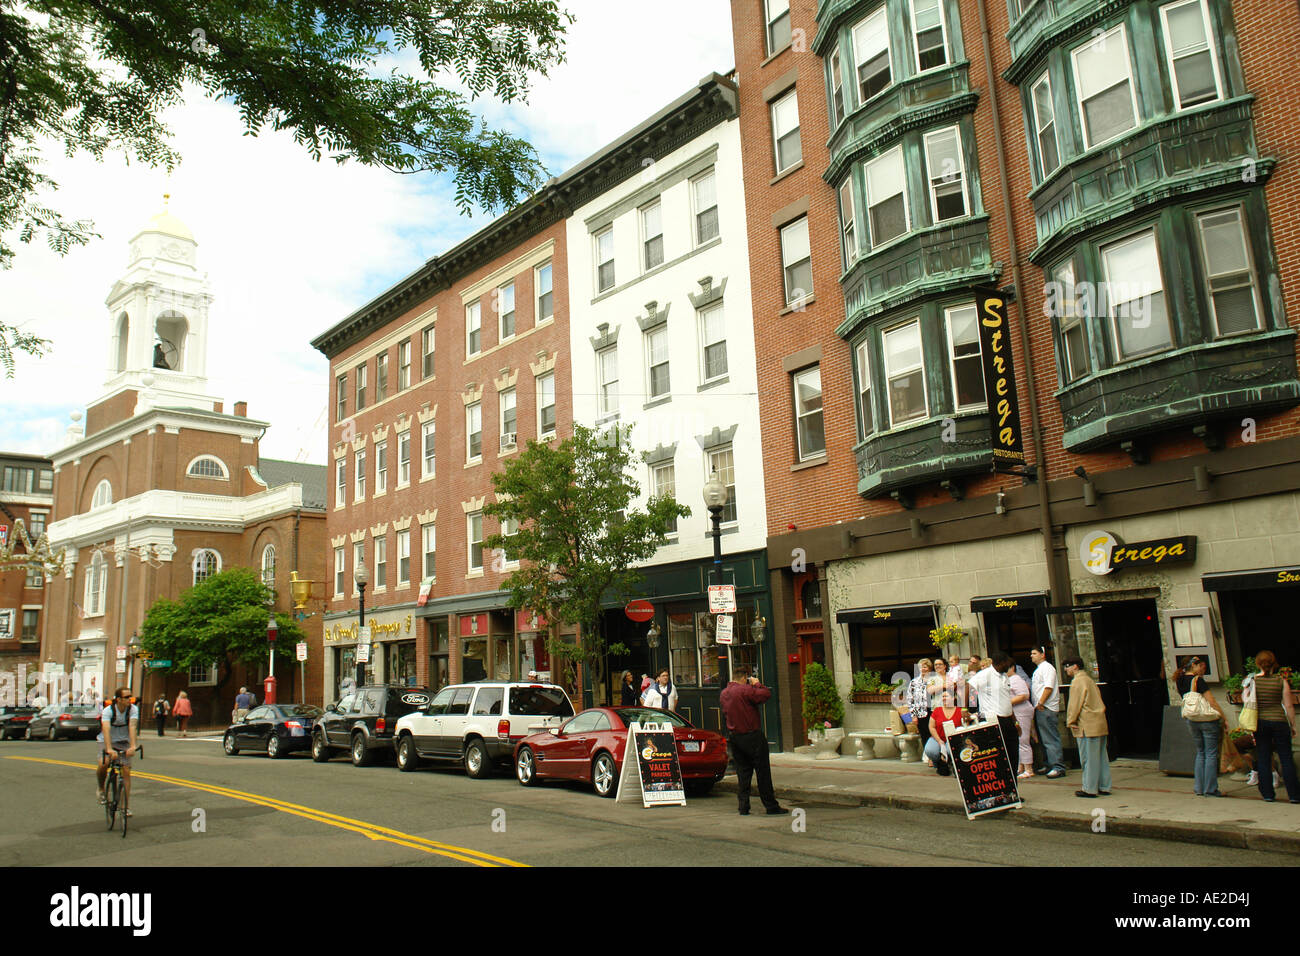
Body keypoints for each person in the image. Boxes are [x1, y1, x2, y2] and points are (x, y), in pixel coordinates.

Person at [719, 665, 787, 815]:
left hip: (735, 737)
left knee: (743, 773)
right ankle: (770, 805)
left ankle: (743, 806)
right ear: (744, 678)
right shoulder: (745, 690)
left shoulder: (724, 693)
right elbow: (765, 695)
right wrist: (757, 683)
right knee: (762, 772)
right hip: (752, 735)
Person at [1249, 650, 1299, 804]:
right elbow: (1288, 705)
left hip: (1261, 722)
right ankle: (1294, 795)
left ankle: (1267, 794)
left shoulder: (1253, 682)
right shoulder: (1281, 681)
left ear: (1258, 664)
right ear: (1274, 663)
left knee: (1264, 757)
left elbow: (1250, 703)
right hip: (1279, 720)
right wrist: (1292, 724)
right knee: (1286, 757)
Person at [1175, 656, 1226, 797]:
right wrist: (1223, 716)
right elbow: (1211, 701)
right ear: (1194, 666)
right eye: (1200, 666)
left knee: (1200, 752)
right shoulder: (1198, 680)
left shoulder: (1179, 680)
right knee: (1210, 753)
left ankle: (1199, 787)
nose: (1202, 669)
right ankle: (1210, 788)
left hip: (1191, 719)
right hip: (1206, 719)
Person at [1064, 657, 1110, 798]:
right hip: (1099, 722)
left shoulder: (1077, 682)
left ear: (1075, 666)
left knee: (1088, 758)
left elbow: (1074, 705)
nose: (1066, 669)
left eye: (1067, 666)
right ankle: (1104, 785)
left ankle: (1089, 788)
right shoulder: (1089, 680)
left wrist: (1070, 721)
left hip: (1086, 725)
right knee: (1101, 757)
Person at [95, 687, 139, 816]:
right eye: (126, 697)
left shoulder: (133, 710)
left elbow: (132, 727)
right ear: (118, 699)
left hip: (123, 741)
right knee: (104, 763)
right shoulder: (108, 711)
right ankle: (101, 789)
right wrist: (109, 749)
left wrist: (132, 746)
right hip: (107, 740)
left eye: (130, 696)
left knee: (126, 770)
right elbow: (106, 729)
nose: (129, 699)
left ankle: (125, 807)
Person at [1030, 647, 1066, 778]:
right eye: (1031, 653)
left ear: (1042, 654)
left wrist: (1041, 702)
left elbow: (1048, 687)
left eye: (1034, 653)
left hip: (1046, 707)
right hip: (1041, 707)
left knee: (1050, 737)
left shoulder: (1047, 668)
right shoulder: (1039, 669)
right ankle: (1049, 764)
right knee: (1045, 738)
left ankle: (1058, 766)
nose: (1031, 656)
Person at [924, 690, 964, 776]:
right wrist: (938, 740)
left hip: (953, 739)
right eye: (943, 697)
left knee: (951, 750)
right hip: (938, 737)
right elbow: (931, 727)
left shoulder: (960, 711)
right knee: (930, 750)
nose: (944, 698)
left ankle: (953, 763)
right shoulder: (937, 711)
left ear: (953, 698)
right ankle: (939, 763)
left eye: (946, 696)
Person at [903, 658, 933, 762]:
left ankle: (935, 755)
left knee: (934, 733)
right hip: (921, 712)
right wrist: (913, 715)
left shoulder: (934, 680)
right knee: (925, 734)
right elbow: (910, 699)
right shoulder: (914, 682)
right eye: (921, 667)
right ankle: (928, 755)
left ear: (929, 668)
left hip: (933, 711)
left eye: (925, 667)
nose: (923, 669)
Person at [1008, 664, 1035, 779]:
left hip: (1022, 711)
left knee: (1023, 739)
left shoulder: (1016, 679)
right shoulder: (1009, 679)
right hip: (1015, 712)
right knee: (1018, 740)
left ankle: (1029, 769)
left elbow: (1024, 695)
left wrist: (1007, 702)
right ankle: (1021, 766)